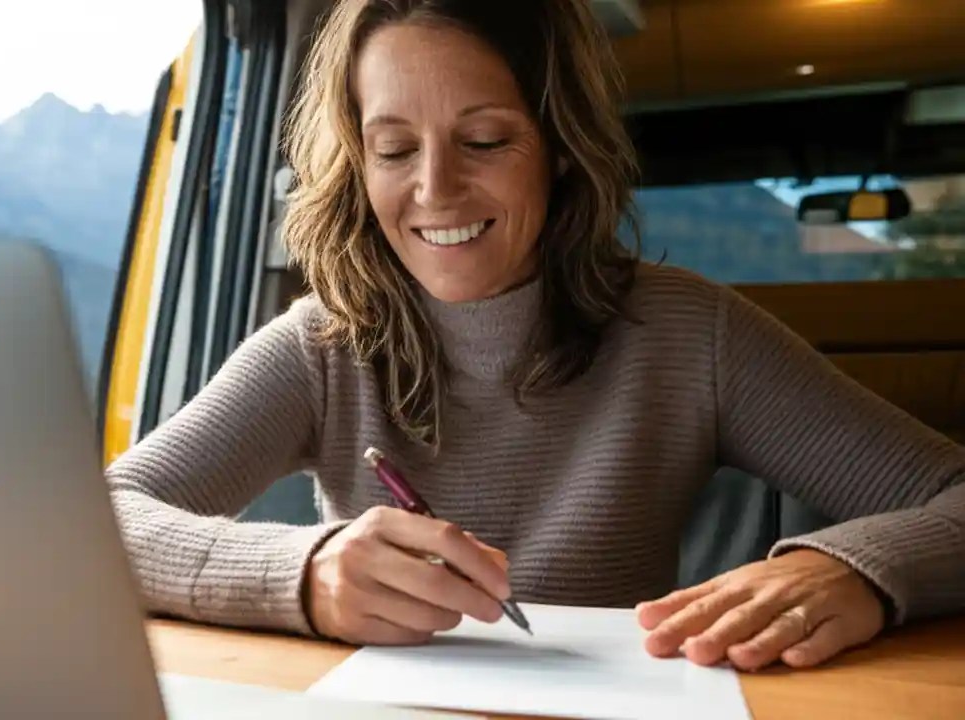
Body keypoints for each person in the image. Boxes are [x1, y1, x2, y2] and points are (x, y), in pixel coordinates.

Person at [107, 0, 964, 672]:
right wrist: (304, 573)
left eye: (484, 139)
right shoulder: (321, 346)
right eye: (394, 149)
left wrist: (856, 570)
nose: (435, 189)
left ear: (560, 146)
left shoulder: (688, 332)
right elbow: (101, 521)